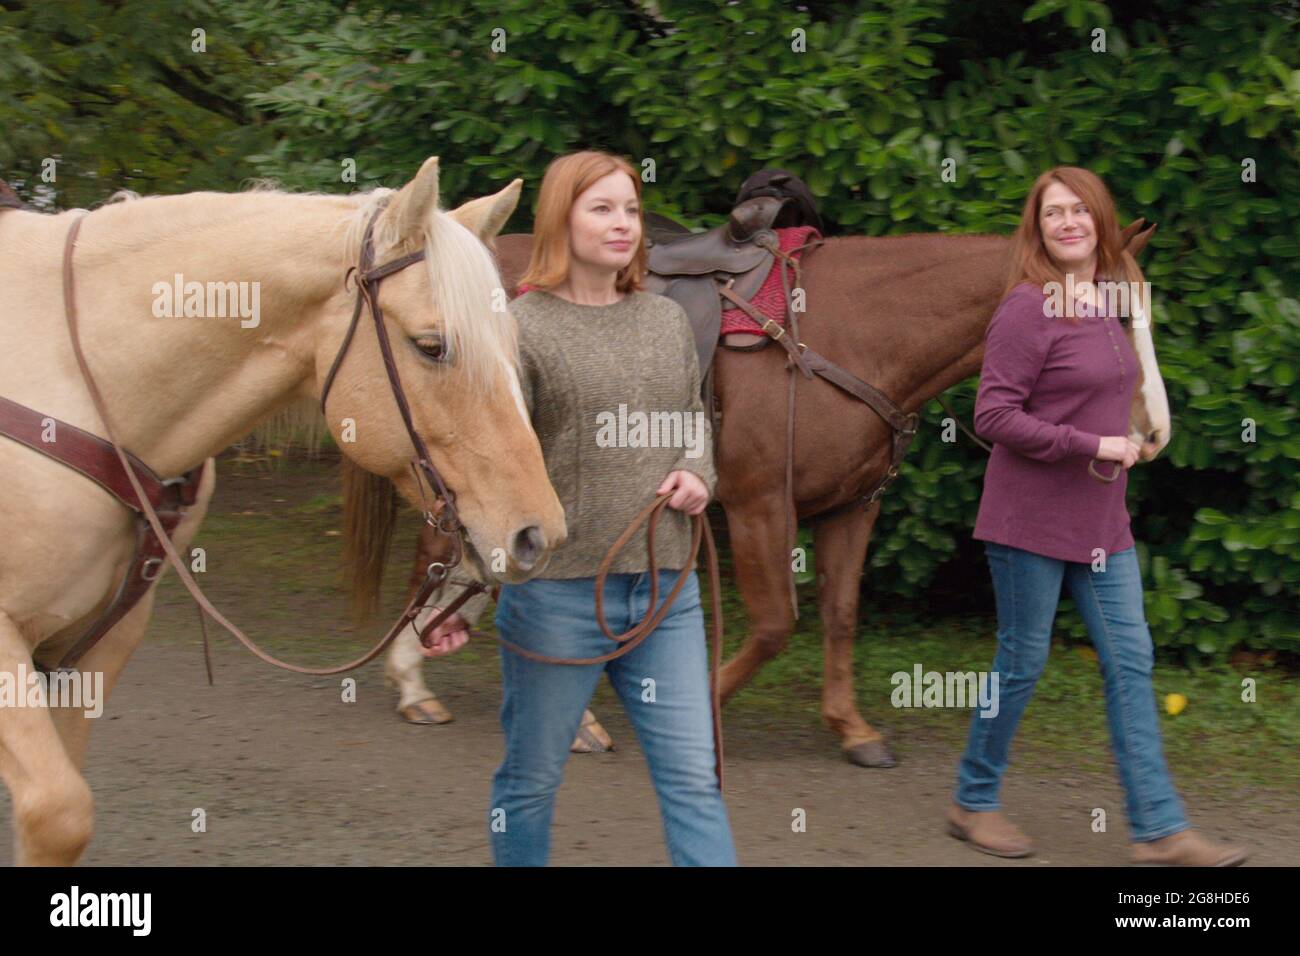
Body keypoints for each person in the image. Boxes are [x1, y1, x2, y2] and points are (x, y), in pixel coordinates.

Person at [416, 150, 737, 867]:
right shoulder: (519, 328)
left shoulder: (664, 319)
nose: (622, 223)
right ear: (562, 219)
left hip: (666, 593)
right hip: (558, 593)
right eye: (602, 208)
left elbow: (692, 419)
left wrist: (696, 473)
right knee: (531, 782)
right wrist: (460, 599)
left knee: (695, 781)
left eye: (630, 209)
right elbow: (484, 471)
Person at [947, 166, 1248, 866]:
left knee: (1131, 661)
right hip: (1029, 521)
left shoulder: (1109, 299)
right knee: (1021, 662)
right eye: (1053, 213)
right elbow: (992, 414)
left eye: (1081, 210)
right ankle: (972, 800)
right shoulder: (1026, 307)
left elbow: (1119, 385)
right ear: (1038, 228)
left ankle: (1159, 830)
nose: (1069, 223)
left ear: (1101, 220)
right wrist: (1093, 443)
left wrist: (1133, 437)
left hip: (1102, 521)